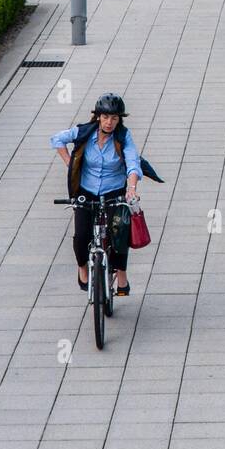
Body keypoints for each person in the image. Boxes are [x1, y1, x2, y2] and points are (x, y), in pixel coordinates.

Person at [50, 93, 142, 296]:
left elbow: (133, 163)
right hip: (86, 191)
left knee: (119, 231)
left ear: (119, 119)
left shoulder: (122, 137)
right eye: (106, 117)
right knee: (81, 235)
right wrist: (70, 164)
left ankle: (122, 274)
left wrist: (131, 189)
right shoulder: (84, 132)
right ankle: (82, 268)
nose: (109, 122)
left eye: (114, 118)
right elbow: (56, 139)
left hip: (114, 191)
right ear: (98, 116)